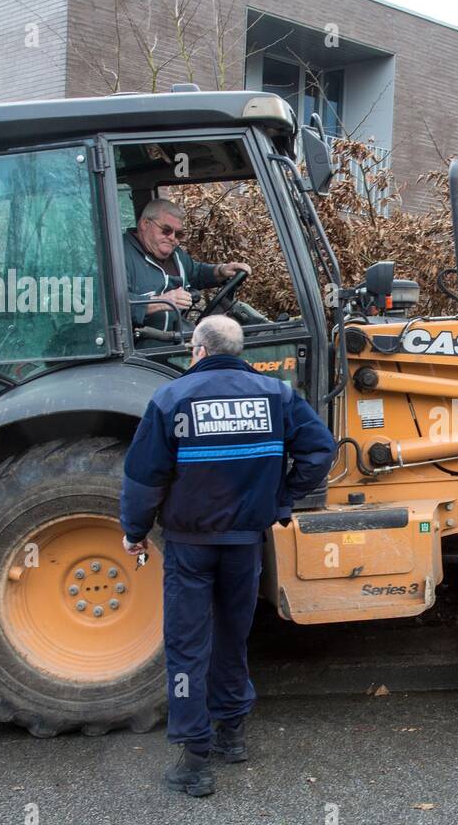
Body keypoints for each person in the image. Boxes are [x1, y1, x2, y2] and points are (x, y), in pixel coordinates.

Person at [119, 315, 337, 797]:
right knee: (233, 637)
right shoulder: (277, 396)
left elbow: (144, 478)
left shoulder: (171, 399)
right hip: (245, 546)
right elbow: (321, 450)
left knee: (187, 647)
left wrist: (135, 531)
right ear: (240, 351)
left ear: (197, 349)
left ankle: (195, 761)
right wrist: (282, 498)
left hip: (190, 547)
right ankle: (232, 736)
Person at [123, 198, 251, 327]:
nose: (172, 238)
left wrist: (221, 270)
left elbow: (195, 273)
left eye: (178, 234)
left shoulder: (176, 255)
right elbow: (115, 307)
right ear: (145, 224)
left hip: (180, 337)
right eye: (166, 230)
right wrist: (164, 301)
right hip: (146, 343)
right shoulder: (119, 255)